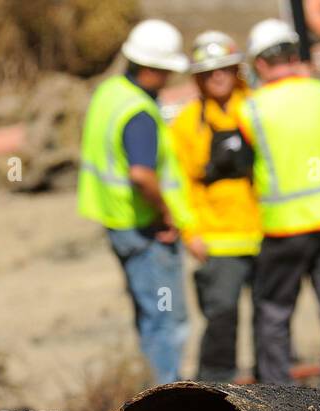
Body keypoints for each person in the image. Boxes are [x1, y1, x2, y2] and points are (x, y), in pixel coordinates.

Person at [237, 18, 320, 393]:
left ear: (259, 64)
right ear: (294, 54)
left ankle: (280, 394)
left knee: (274, 311)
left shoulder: (252, 110)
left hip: (285, 226)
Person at [77, 19, 196, 385]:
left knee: (148, 314)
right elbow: (142, 175)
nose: (169, 79)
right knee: (166, 321)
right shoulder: (139, 114)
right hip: (147, 232)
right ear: (150, 68)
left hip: (117, 223)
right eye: (165, 72)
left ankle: (154, 393)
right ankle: (166, 401)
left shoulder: (109, 92)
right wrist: (165, 215)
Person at [169, 31, 261, 383]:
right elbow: (178, 184)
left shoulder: (255, 108)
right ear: (197, 78)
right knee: (221, 314)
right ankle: (214, 387)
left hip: (267, 231)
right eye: (208, 72)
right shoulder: (187, 122)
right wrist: (190, 232)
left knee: (269, 318)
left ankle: (274, 387)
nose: (217, 77)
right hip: (218, 240)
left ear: (236, 69)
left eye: (224, 69)